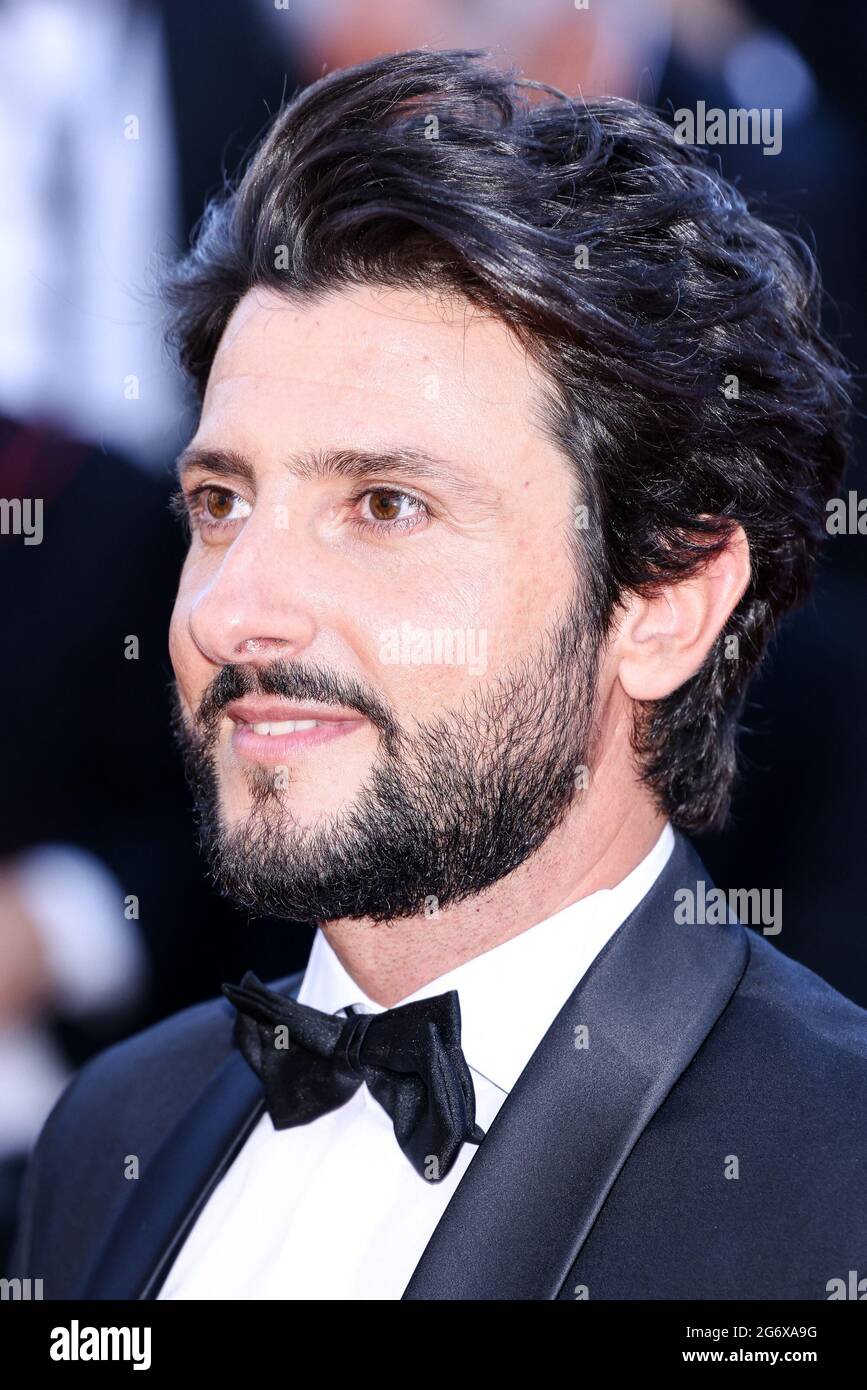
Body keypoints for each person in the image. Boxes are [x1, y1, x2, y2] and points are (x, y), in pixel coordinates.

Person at [9, 47, 866, 1301]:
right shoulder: (106, 1137)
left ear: (668, 603)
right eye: (221, 501)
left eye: (386, 504)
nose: (238, 608)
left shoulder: (833, 1181)